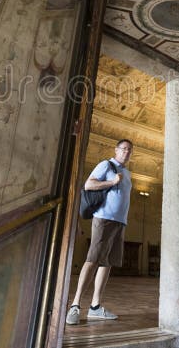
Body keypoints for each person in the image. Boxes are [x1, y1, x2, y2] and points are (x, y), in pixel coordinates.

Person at [66, 139, 133, 325]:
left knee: (107, 262)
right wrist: (112, 181)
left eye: (130, 150)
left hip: (120, 222)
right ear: (116, 150)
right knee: (93, 259)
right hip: (104, 219)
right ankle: (75, 305)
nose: (127, 152)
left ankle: (95, 307)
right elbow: (89, 185)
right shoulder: (106, 165)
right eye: (124, 149)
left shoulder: (127, 172)